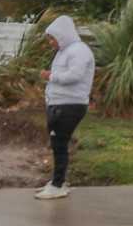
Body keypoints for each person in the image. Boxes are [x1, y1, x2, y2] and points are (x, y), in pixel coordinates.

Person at [36, 14, 93, 200]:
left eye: (52, 38)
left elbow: (75, 76)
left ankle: (57, 184)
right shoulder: (64, 52)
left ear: (62, 35)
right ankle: (58, 181)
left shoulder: (79, 51)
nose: (51, 42)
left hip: (70, 105)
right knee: (57, 144)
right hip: (59, 104)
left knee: (59, 144)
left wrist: (50, 77)